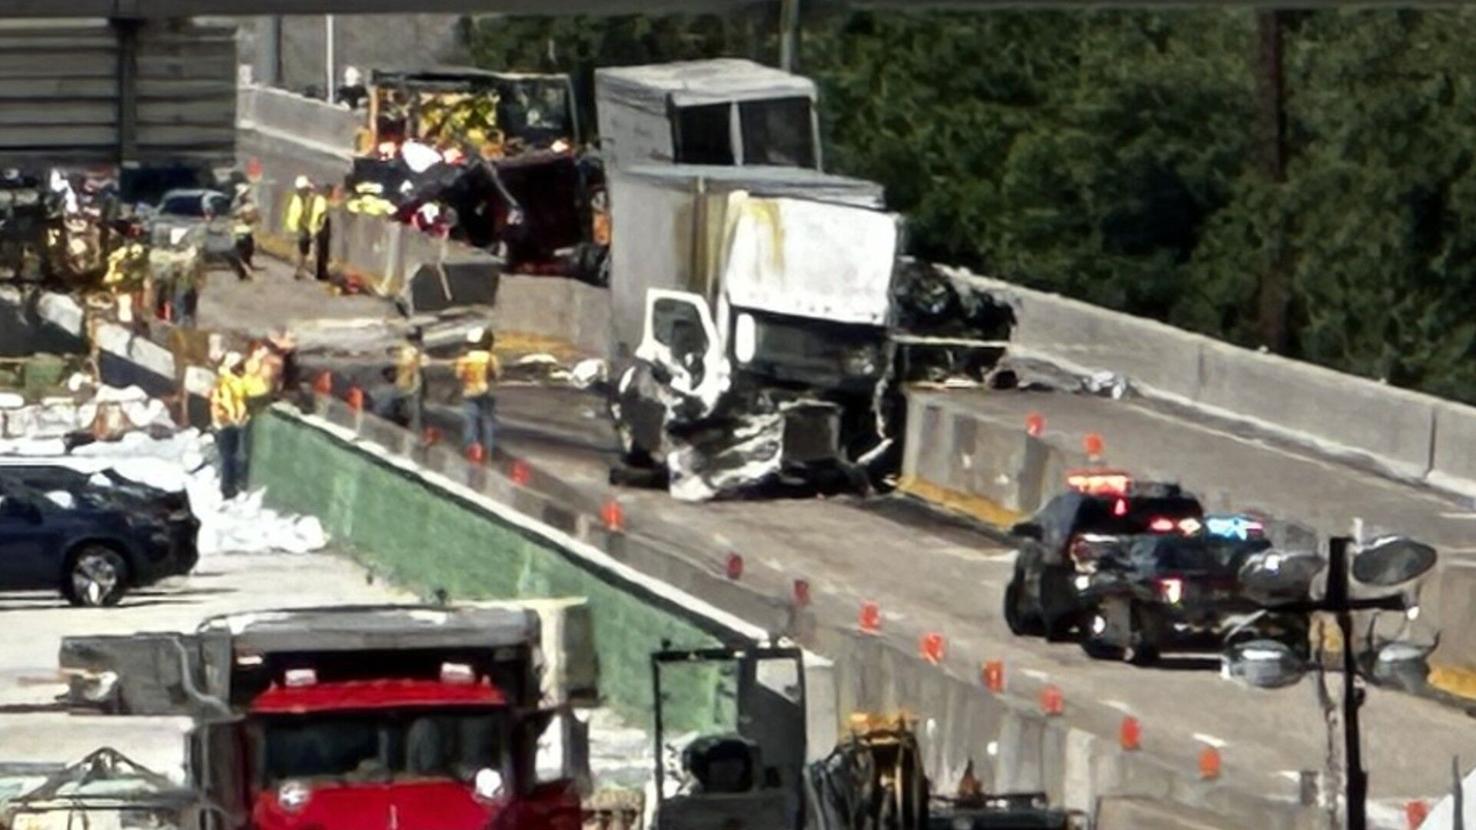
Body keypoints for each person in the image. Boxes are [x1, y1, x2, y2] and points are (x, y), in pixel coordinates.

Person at [210, 352, 250, 500]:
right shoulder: (224, 383)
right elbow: (225, 404)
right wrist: (233, 418)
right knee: (229, 457)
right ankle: (229, 487)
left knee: (237, 455)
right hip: (226, 424)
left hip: (237, 421)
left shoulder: (237, 380)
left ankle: (236, 484)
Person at [454, 327, 499, 454]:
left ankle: (470, 449)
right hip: (485, 391)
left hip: (469, 392)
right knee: (487, 421)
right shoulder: (490, 357)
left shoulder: (464, 359)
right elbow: (496, 374)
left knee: (470, 422)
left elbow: (459, 375)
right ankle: (488, 449)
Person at [372, 328, 425, 434]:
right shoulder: (413, 351)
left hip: (408, 387)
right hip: (408, 386)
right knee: (408, 411)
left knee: (408, 411)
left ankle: (405, 432)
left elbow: (408, 364)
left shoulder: (411, 352)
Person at [284, 175, 328, 281]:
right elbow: (294, 213)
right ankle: (301, 270)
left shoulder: (314, 199)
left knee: (307, 250)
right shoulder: (304, 198)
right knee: (304, 249)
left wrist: (317, 227)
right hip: (305, 227)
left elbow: (321, 214)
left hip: (310, 228)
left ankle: (304, 270)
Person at [230, 179, 260, 277]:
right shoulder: (236, 205)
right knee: (242, 251)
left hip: (247, 231)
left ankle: (246, 267)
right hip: (240, 231)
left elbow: (255, 215)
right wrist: (243, 214)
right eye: (246, 193)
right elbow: (234, 215)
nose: (248, 195)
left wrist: (254, 216)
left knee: (249, 250)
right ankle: (244, 270)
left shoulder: (249, 203)